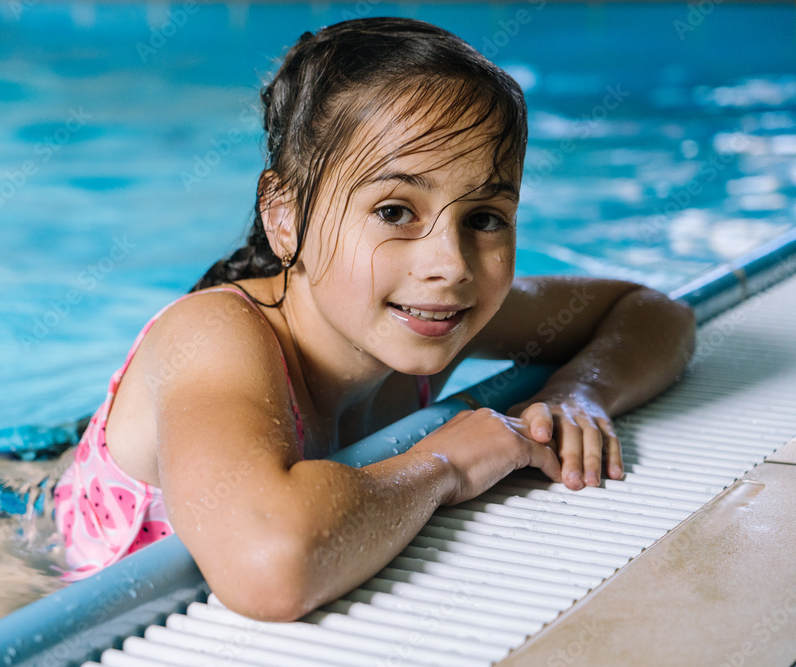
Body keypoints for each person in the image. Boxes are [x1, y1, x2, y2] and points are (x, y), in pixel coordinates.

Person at [52, 16, 695, 622]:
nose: (451, 265)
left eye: (485, 218)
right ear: (286, 216)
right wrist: (444, 464)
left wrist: (579, 392)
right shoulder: (211, 335)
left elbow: (651, 312)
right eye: (394, 211)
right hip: (3, 569)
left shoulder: (429, 318)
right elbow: (270, 565)